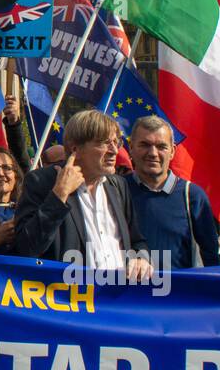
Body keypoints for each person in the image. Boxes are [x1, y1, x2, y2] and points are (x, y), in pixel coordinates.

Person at [12, 109, 151, 279]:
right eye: (104, 143)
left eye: (117, 142)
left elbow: (137, 240)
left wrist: (141, 258)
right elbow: (27, 248)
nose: (114, 151)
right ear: (75, 148)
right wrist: (59, 195)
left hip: (116, 300)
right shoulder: (42, 182)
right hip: (69, 300)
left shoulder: (118, 185)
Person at [124, 116, 220, 268]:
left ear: (173, 151)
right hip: (126, 290)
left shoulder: (192, 196)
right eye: (145, 145)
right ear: (131, 147)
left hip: (179, 290)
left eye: (161, 146)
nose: (153, 153)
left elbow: (210, 256)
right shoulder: (116, 191)